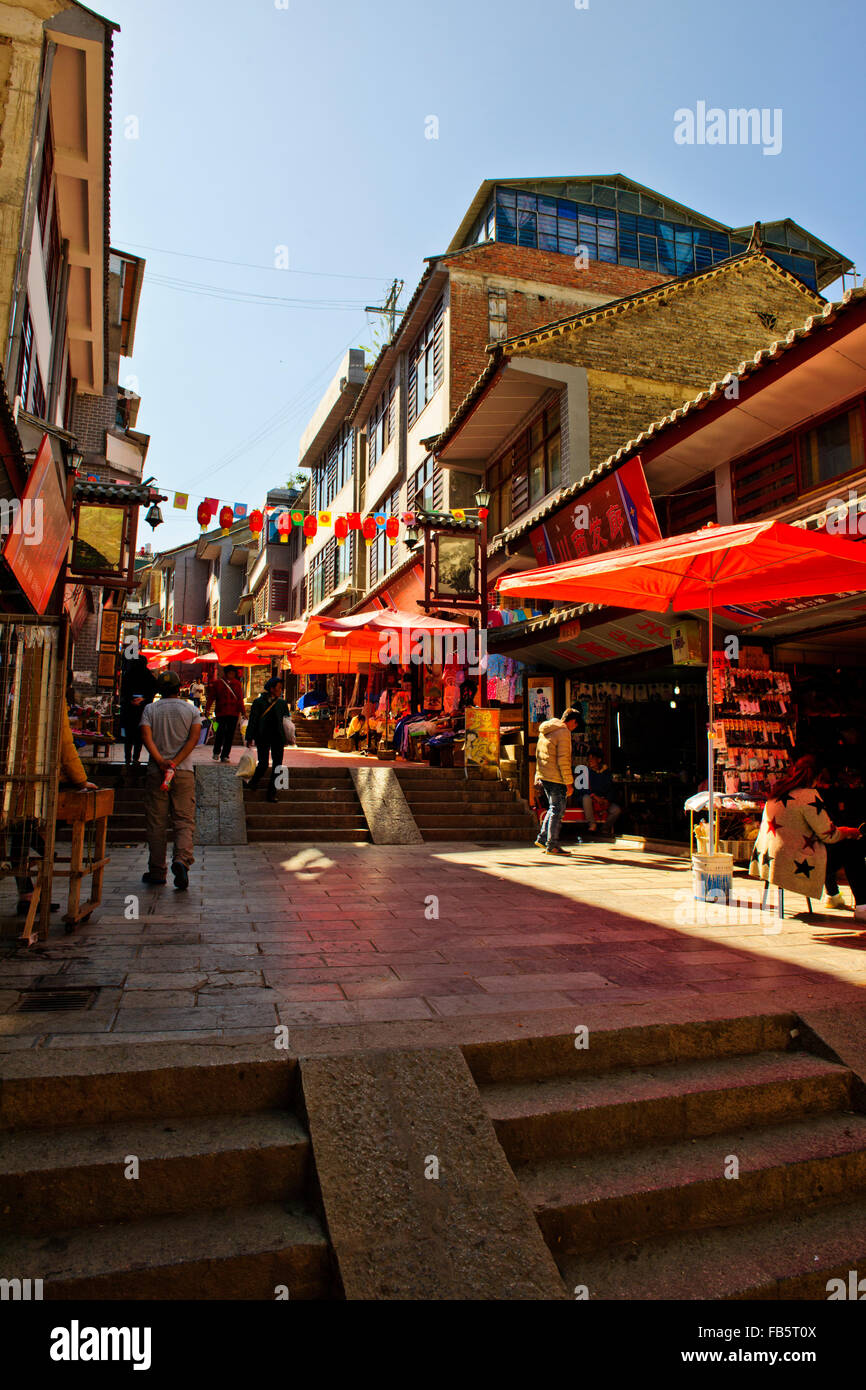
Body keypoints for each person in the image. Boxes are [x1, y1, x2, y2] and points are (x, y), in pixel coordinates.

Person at [749, 754, 866, 922]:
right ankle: (862, 906)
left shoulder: (777, 793)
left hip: (773, 860)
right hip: (796, 862)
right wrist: (848, 831)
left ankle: (833, 895)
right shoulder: (808, 796)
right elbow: (829, 835)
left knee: (822, 847)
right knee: (850, 848)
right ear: (817, 777)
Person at [14, 703, 99, 915]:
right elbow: (65, 745)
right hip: (45, 779)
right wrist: (81, 780)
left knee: (18, 831)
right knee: (34, 829)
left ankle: (27, 893)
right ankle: (43, 851)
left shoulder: (16, 695)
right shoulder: (54, 699)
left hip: (15, 778)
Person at [139, 670, 201, 890]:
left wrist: (160, 760)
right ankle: (181, 860)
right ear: (178, 688)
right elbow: (194, 739)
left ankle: (157, 870)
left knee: (157, 822)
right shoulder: (191, 710)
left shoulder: (150, 709)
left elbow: (146, 736)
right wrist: (175, 762)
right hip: (183, 771)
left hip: (157, 772)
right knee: (183, 820)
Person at [533, 707, 581, 857]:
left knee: (553, 808)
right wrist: (569, 783)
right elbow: (563, 760)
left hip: (545, 775)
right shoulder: (563, 732)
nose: (575, 728)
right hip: (556, 777)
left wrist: (537, 775)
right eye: (576, 724)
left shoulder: (547, 730)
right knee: (557, 810)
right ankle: (552, 845)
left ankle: (543, 838)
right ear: (572, 721)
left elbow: (538, 754)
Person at [246, 676, 291, 802]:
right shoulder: (258, 702)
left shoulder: (282, 703)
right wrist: (249, 736)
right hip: (263, 736)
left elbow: (287, 722)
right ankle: (254, 781)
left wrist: (289, 736)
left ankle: (272, 793)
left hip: (278, 737)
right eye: (279, 688)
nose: (280, 690)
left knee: (278, 765)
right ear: (271, 689)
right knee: (263, 763)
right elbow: (253, 720)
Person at [119, 654, 157, 766]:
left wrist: (130, 700)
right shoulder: (148, 675)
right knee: (139, 736)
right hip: (142, 710)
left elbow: (123, 691)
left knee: (129, 736)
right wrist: (144, 699)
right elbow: (153, 689)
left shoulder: (128, 674)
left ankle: (127, 759)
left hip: (129, 709)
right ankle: (136, 758)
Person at [206, 665, 246, 764]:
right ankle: (216, 751)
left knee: (230, 734)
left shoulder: (237, 684)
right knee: (220, 731)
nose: (231, 675)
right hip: (221, 712)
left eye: (233, 673)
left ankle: (225, 755)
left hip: (234, 712)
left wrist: (243, 712)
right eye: (230, 673)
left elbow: (240, 699)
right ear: (226, 673)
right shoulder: (218, 683)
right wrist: (207, 709)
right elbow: (211, 697)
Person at [583, 752, 622, 836]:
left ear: (599, 760)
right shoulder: (586, 772)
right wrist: (594, 796)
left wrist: (607, 799)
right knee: (585, 798)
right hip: (592, 800)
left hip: (604, 801)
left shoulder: (607, 773)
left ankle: (604, 829)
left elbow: (612, 789)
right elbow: (583, 788)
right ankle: (592, 825)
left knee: (616, 810)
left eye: (592, 759)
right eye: (589, 759)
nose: (590, 761)